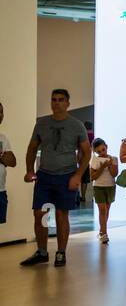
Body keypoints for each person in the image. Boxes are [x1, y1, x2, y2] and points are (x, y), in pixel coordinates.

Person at [20, 88, 90, 267]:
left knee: (61, 214)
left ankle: (60, 252)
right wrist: (29, 170)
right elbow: (32, 148)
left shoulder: (76, 125)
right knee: (40, 214)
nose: (56, 102)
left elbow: (86, 153)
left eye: (60, 99)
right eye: (54, 99)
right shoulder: (42, 124)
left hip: (66, 176)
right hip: (44, 176)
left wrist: (78, 175)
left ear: (68, 103)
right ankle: (42, 251)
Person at [88, 138, 118, 243]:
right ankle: (104, 233)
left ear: (106, 146)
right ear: (95, 152)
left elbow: (114, 174)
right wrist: (102, 167)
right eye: (99, 152)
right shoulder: (94, 160)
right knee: (102, 210)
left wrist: (109, 165)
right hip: (98, 187)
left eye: (103, 149)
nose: (102, 153)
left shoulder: (113, 159)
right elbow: (92, 177)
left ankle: (102, 231)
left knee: (107, 210)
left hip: (110, 186)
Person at [0, 100, 14, 225]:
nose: (0, 115)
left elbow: (12, 161)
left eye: (1, 112)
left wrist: (5, 159)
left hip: (1, 191)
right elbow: (6, 159)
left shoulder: (3, 138)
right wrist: (2, 157)